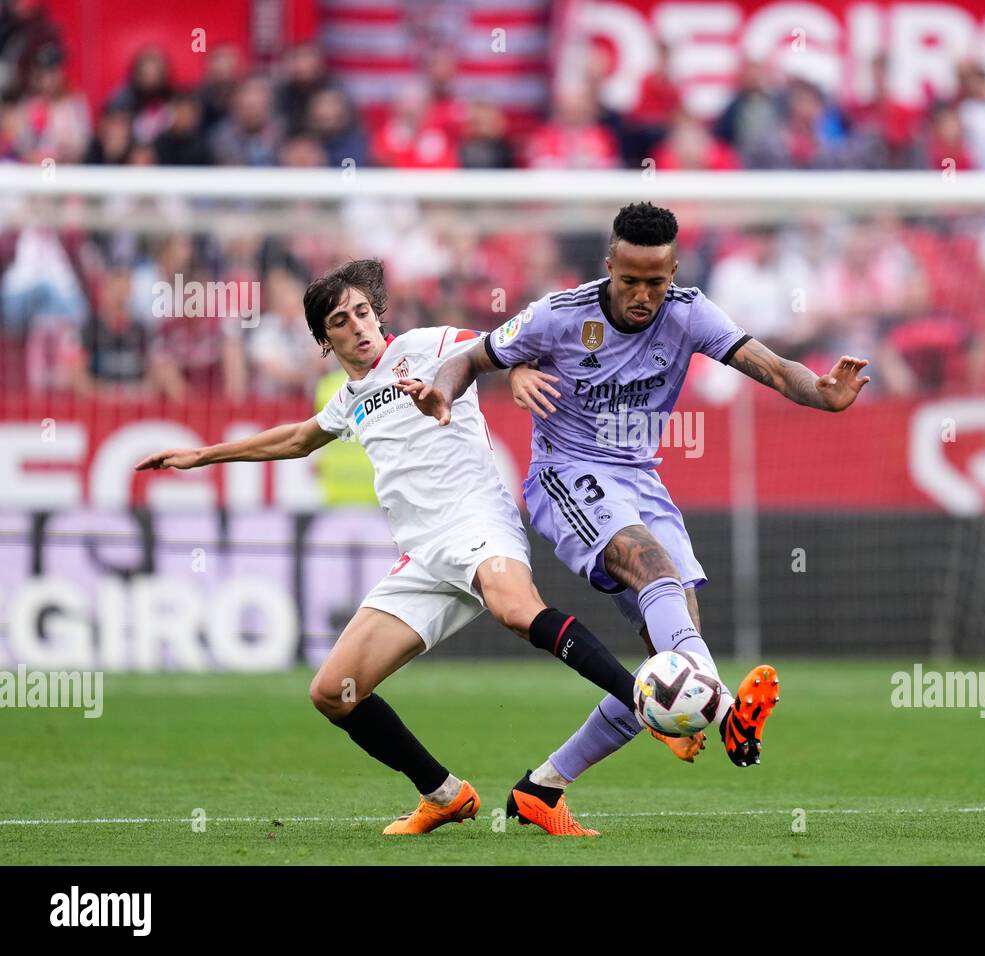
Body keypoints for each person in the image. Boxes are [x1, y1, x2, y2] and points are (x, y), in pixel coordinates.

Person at [134, 259, 643, 835]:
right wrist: (201, 455)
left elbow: (502, 345)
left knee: (516, 611)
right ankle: (445, 794)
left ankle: (646, 703)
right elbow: (300, 438)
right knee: (333, 693)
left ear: (377, 314)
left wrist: (520, 368)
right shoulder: (349, 397)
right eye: (340, 320)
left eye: (362, 311)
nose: (357, 325)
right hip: (423, 558)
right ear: (324, 341)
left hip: (477, 521)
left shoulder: (430, 344)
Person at [414, 202, 870, 834]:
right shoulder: (559, 314)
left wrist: (820, 393)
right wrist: (446, 388)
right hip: (566, 475)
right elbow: (472, 357)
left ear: (673, 271)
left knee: (668, 662)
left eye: (655, 281)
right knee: (655, 580)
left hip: (642, 482)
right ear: (610, 266)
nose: (642, 294)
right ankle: (728, 706)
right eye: (630, 279)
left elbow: (766, 365)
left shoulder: (688, 312)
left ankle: (540, 789)